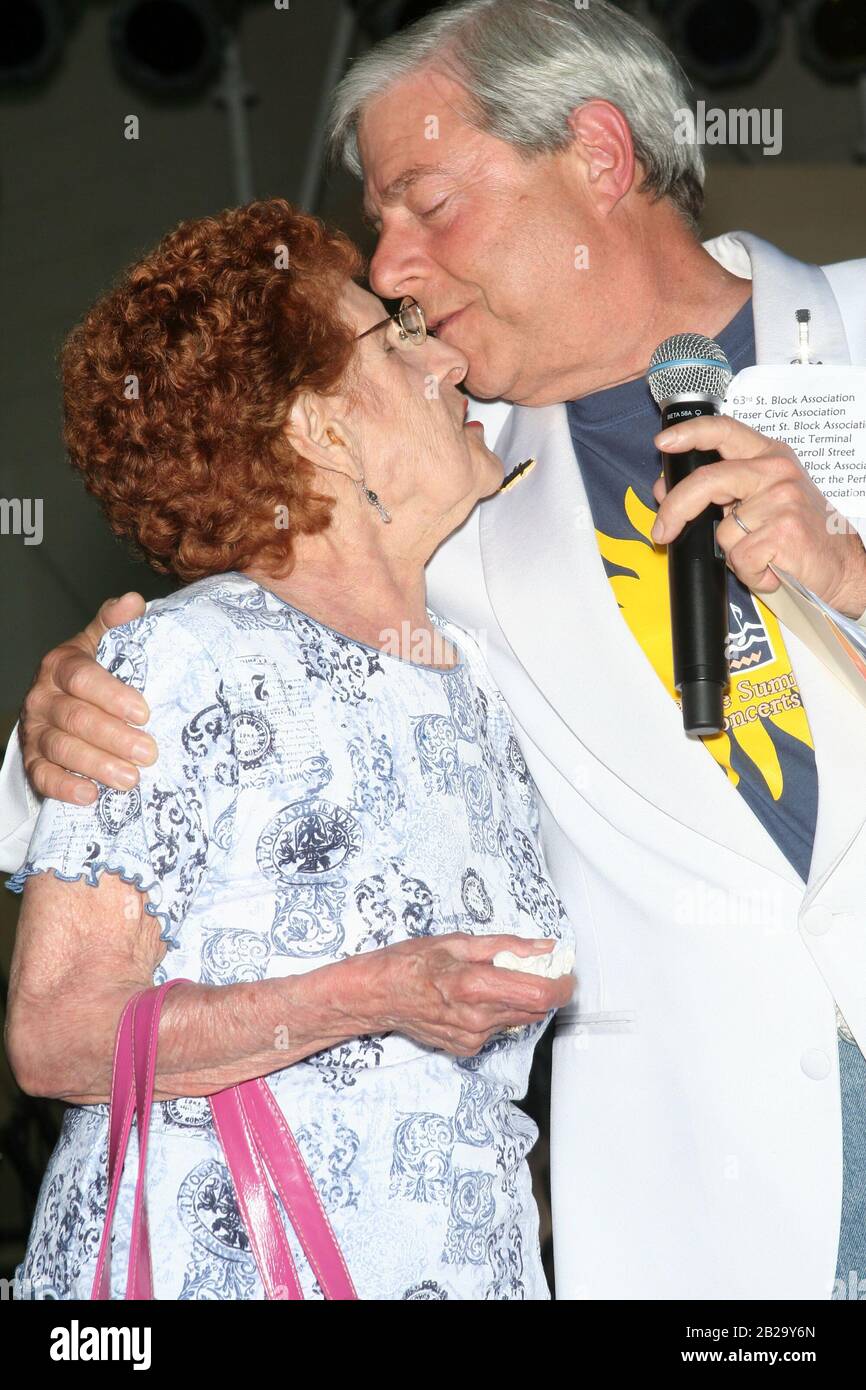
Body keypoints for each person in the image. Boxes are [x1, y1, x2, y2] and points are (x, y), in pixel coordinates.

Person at [2, 0, 865, 1300]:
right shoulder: (451, 493)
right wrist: (52, 726)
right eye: (379, 228)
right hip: (722, 1195)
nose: (394, 265)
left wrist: (849, 573)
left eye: (424, 202)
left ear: (596, 155)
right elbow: (211, 689)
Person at [2, 197, 575, 1301]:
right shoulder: (180, 662)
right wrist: (373, 991)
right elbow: (59, 1035)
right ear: (319, 427)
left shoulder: (476, 674)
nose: (445, 352)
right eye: (397, 332)